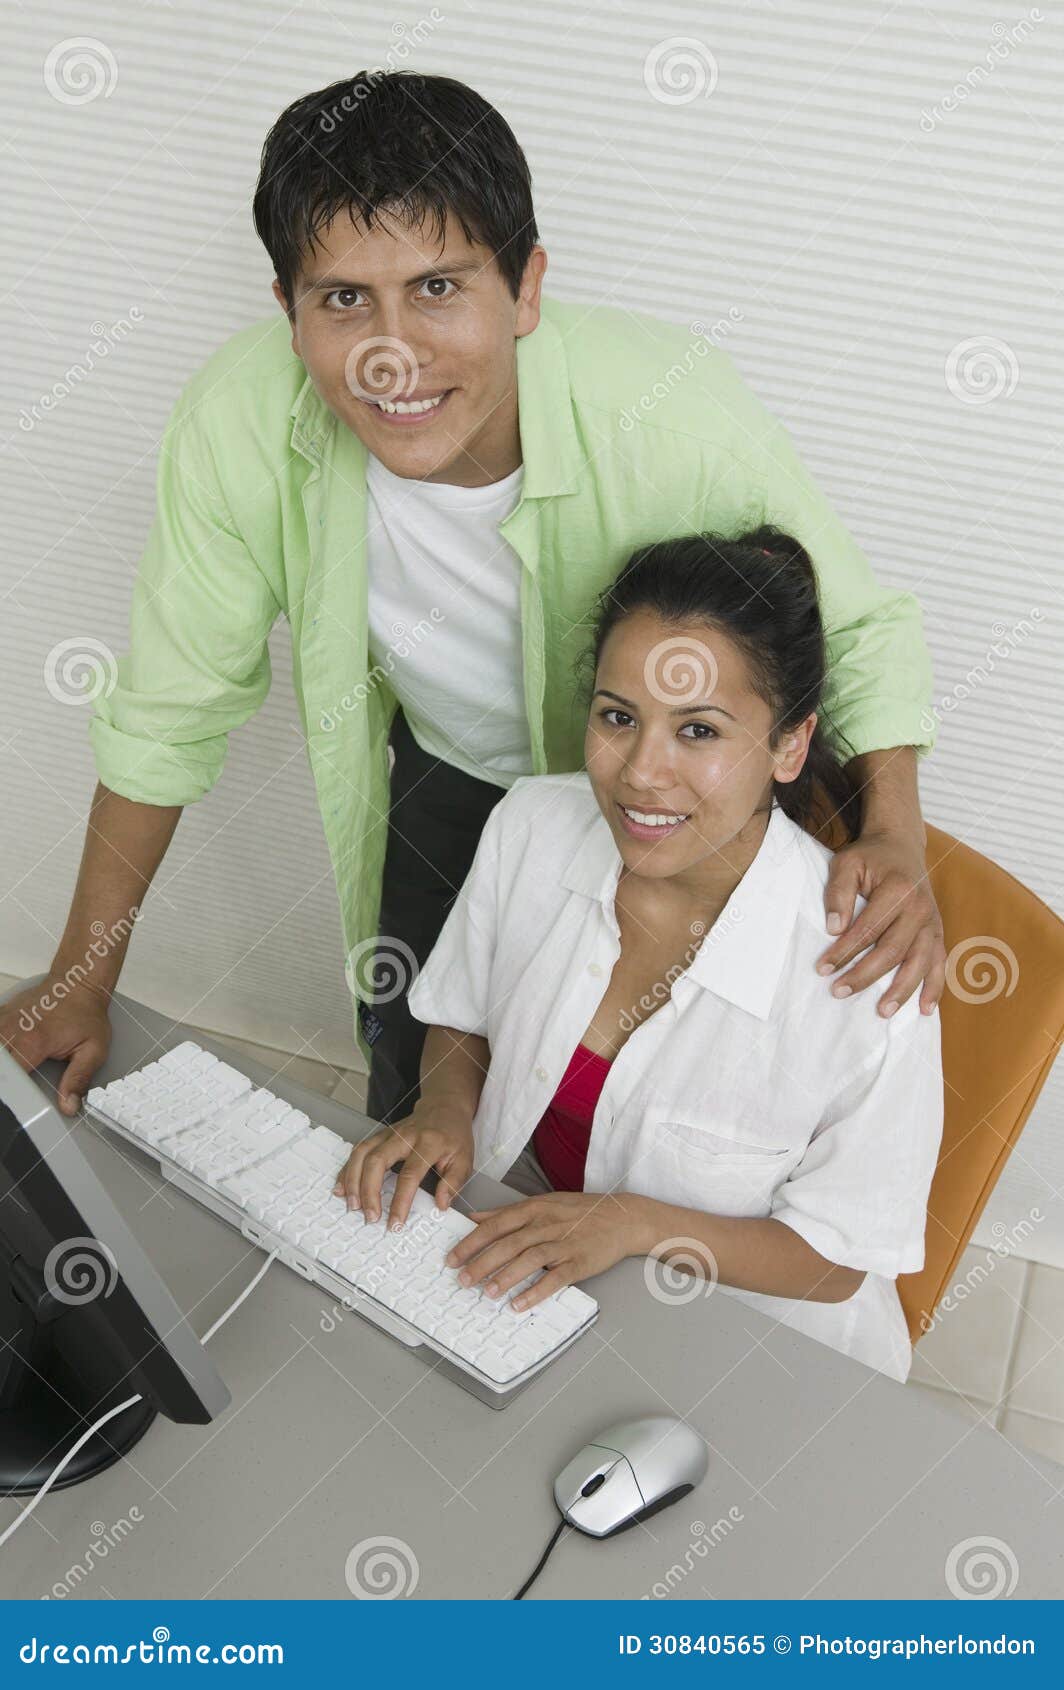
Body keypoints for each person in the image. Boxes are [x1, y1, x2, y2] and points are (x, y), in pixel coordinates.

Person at [0, 71, 944, 1129]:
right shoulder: (236, 425)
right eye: (343, 298)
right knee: (420, 1097)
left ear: (526, 287)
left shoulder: (669, 413)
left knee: (642, 1117)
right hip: (448, 779)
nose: (391, 353)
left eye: (438, 287)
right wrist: (79, 974)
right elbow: (167, 716)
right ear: (286, 308)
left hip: (668, 792)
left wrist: (896, 835)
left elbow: (853, 627)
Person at [333, 526, 945, 1383]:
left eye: (698, 731)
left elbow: (837, 1260)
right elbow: (463, 1020)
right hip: (545, 1288)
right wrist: (443, 1111)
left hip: (760, 1355)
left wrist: (632, 1224)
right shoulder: (531, 828)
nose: (641, 776)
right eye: (619, 718)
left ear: (789, 746)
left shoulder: (869, 962)